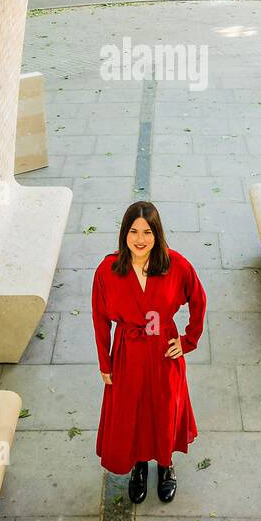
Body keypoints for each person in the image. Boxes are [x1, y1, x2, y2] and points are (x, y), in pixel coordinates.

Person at [91, 200, 206, 504]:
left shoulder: (176, 265)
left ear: (157, 234)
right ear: (124, 234)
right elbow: (100, 318)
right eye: (133, 231)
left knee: (165, 407)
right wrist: (105, 361)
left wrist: (188, 339)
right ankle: (139, 465)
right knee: (133, 410)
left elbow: (199, 299)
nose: (140, 239)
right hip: (128, 353)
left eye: (147, 232)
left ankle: (166, 465)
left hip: (164, 352)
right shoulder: (107, 271)